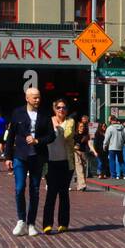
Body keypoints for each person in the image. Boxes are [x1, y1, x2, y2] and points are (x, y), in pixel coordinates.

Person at [4, 87, 55, 237]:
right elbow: (11, 136)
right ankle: (21, 220)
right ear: (27, 98)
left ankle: (31, 223)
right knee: (20, 188)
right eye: (35, 98)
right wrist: (8, 157)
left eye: (39, 97)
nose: (38, 100)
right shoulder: (17, 113)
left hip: (37, 156)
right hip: (20, 155)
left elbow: (51, 136)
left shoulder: (45, 114)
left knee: (35, 190)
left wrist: (37, 140)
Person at [41, 99, 76, 234]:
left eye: (64, 107)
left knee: (64, 193)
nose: (62, 110)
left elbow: (67, 136)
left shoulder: (70, 122)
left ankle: (63, 223)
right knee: (51, 192)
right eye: (59, 107)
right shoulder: (48, 121)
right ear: (54, 109)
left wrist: (57, 128)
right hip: (50, 161)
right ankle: (47, 224)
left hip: (66, 162)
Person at [72, 115, 90, 191]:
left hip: (84, 152)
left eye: (83, 126)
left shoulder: (86, 135)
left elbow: (89, 143)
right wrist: (75, 149)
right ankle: (83, 184)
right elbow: (71, 144)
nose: (82, 128)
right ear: (78, 127)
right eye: (80, 126)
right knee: (79, 169)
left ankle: (80, 185)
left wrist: (94, 151)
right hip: (76, 152)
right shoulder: (75, 135)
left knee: (84, 168)